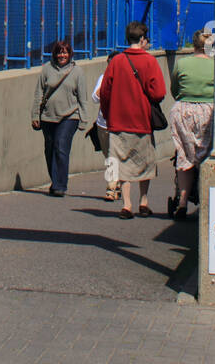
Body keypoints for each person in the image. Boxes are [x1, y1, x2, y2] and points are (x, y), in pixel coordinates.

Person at [99, 20, 166, 218]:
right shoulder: (150, 61)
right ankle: (143, 201)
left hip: (119, 121)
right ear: (143, 39)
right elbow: (158, 93)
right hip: (142, 121)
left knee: (121, 162)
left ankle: (126, 204)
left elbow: (105, 92)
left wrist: (109, 113)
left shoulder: (117, 61)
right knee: (145, 162)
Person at [31, 38, 89, 196]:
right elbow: (39, 93)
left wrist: (84, 119)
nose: (62, 55)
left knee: (61, 147)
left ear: (70, 54)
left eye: (65, 52)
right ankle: (55, 180)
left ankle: (60, 186)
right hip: (48, 116)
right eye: (59, 52)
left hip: (70, 116)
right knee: (49, 150)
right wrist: (35, 114)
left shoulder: (77, 72)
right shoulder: (47, 70)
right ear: (55, 54)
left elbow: (82, 98)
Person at [168, 28, 215, 219]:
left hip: (183, 110)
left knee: (184, 157)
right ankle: (207, 201)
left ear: (193, 44)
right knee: (206, 156)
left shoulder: (182, 63)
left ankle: (182, 202)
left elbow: (175, 88)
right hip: (208, 111)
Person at [92, 70, 120, 201]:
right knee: (108, 156)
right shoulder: (103, 77)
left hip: (119, 123)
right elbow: (94, 98)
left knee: (112, 156)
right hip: (103, 123)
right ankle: (117, 183)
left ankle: (111, 188)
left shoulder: (125, 78)